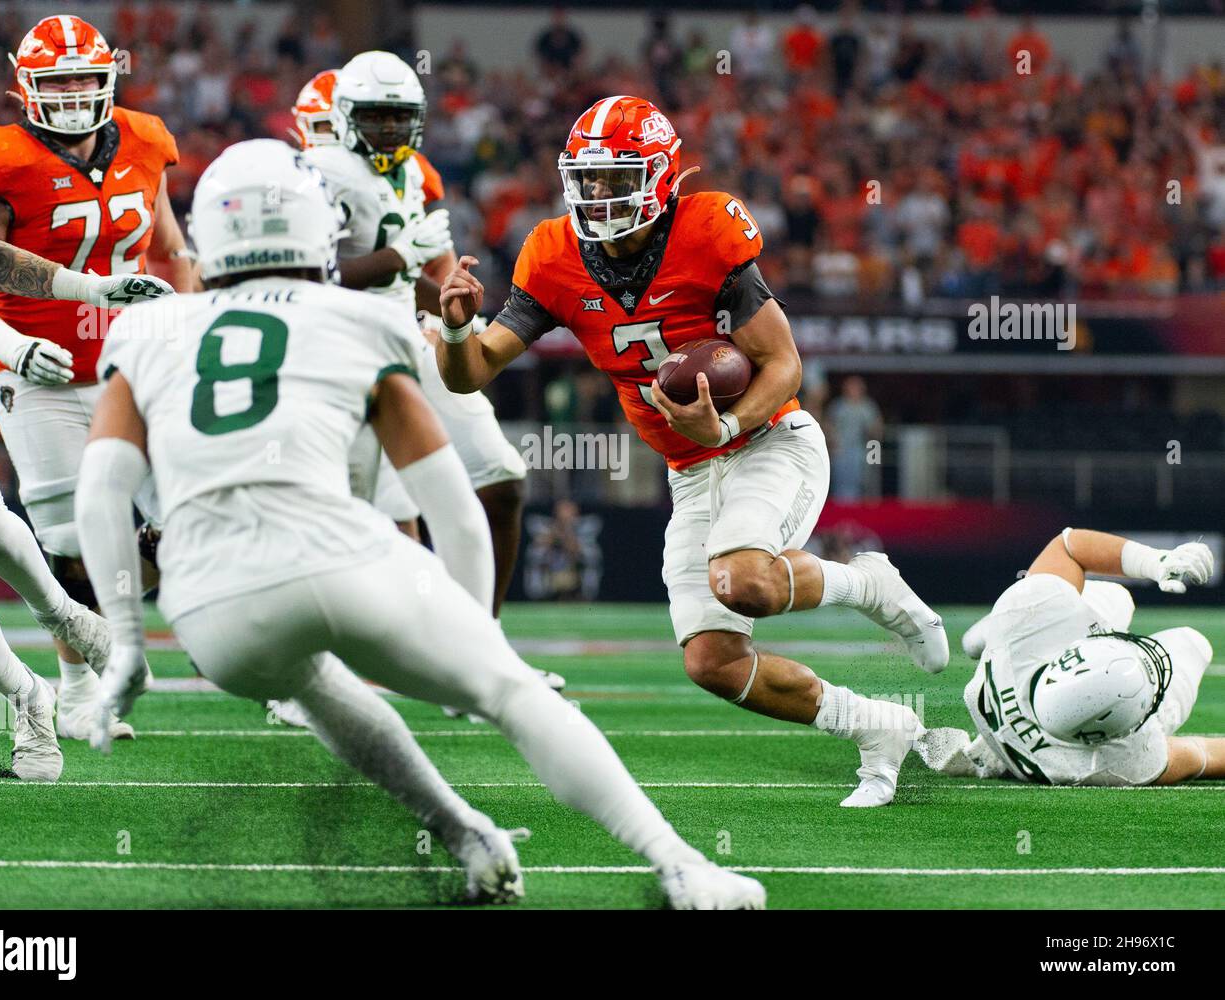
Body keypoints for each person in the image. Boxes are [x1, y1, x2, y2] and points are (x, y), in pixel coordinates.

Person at [75, 140, 766, 909]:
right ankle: (679, 865)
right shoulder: (360, 317)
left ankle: (466, 835)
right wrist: (480, 642)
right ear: (316, 227)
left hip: (213, 615)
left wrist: (128, 649)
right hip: (340, 561)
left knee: (314, 683)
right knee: (513, 693)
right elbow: (452, 508)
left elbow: (102, 490)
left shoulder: (149, 329)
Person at [434, 96, 949, 807]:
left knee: (744, 581)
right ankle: (878, 727)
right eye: (587, 179)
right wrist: (456, 331)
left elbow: (785, 366)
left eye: (615, 180)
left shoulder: (706, 231)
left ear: (661, 175)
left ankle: (868, 584)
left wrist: (729, 427)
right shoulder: (554, 254)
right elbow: (473, 371)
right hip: (689, 468)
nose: (598, 195)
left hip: (769, 441)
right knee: (711, 661)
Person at [0, 14, 190, 740]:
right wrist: (6, 343)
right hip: (40, 374)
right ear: (25, 89)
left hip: (131, 365)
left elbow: (172, 245)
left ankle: (246, 658)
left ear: (110, 77)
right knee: (68, 544)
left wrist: (192, 314)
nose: (73, 92)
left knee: (183, 519)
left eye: (84, 77)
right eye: (58, 80)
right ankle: (76, 684)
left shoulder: (145, 139)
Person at [301, 54, 530, 622]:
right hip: (341, 350)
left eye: (398, 117)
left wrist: (454, 308)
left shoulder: (409, 171)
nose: (388, 129)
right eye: (376, 117)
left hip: (408, 336)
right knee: (346, 518)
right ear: (347, 115)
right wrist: (398, 255)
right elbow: (308, 272)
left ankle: (481, 645)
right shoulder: (319, 170)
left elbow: (404, 283)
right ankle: (313, 668)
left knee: (502, 478)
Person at [919, 529, 1221, 787]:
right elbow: (1199, 755)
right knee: (1192, 643)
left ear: (1067, 656)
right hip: (1028, 711)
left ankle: (988, 634)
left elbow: (1067, 545)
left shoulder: (1027, 613)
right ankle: (989, 634)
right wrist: (1156, 561)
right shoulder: (1124, 761)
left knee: (1096, 598)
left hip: (1012, 657)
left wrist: (1154, 561)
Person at [825, 375, 882, 501]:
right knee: (840, 483)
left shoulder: (868, 407)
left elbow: (876, 430)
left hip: (861, 452)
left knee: (863, 483)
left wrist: (874, 455)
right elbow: (829, 427)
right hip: (841, 452)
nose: (853, 389)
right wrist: (832, 444)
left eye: (856, 387)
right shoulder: (838, 406)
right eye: (851, 386)